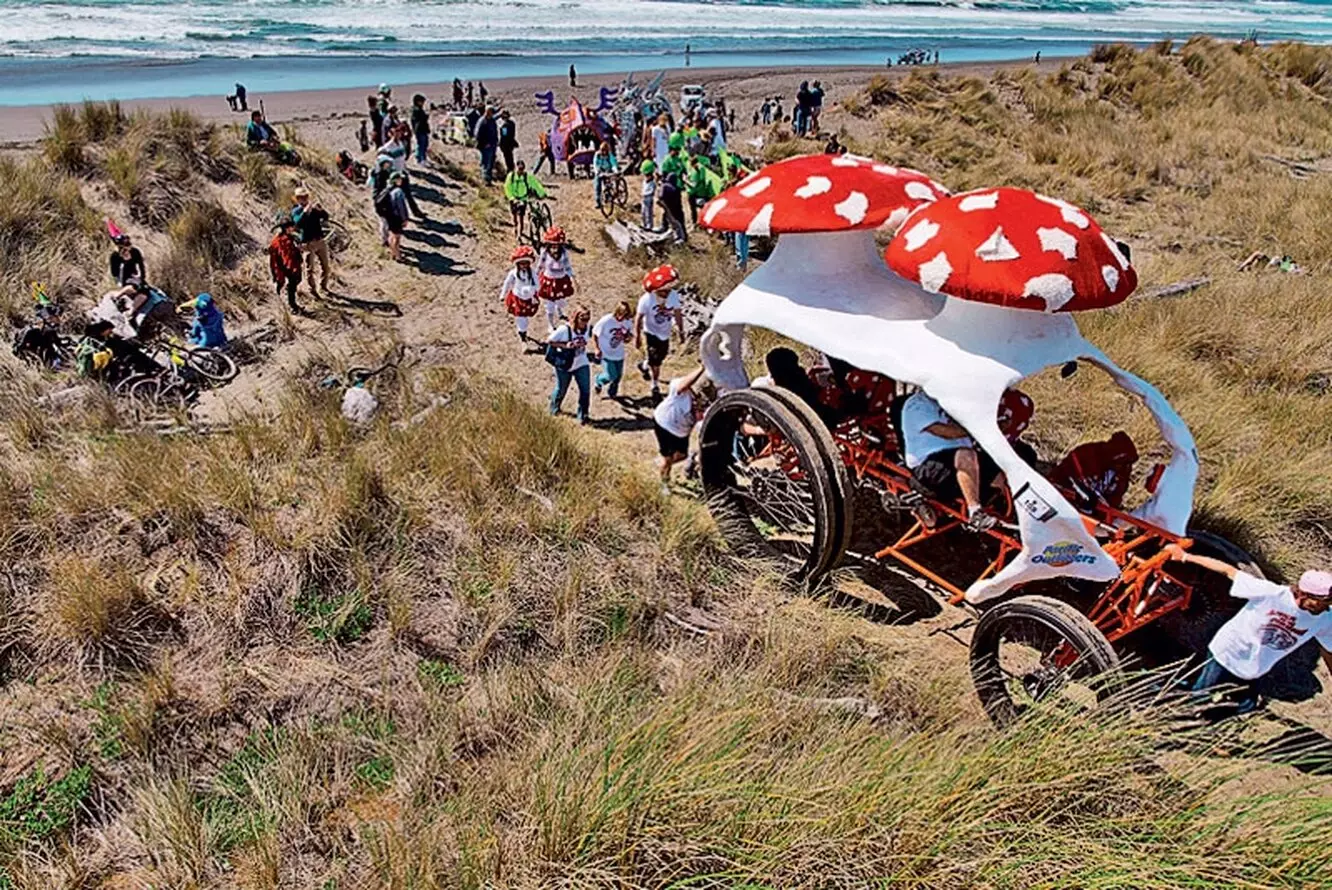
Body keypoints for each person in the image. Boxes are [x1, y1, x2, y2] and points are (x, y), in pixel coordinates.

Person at [1165, 545, 1332, 713]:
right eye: (1323, 602)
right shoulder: (1272, 593)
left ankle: (1210, 719)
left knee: (1246, 706)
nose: (1326, 607)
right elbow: (1228, 570)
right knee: (1200, 698)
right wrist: (1186, 556)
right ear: (1304, 594)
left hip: (1256, 666)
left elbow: (1329, 648)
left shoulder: (1325, 618)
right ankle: (1174, 716)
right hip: (1228, 653)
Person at [900, 389, 999, 531]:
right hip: (929, 468)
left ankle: (1007, 512)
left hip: (957, 462)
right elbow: (946, 432)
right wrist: (978, 429)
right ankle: (975, 513)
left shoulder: (952, 403)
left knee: (999, 467)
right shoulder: (917, 405)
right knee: (966, 455)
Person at [653, 365, 713, 495]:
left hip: (681, 431)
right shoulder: (680, 390)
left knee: (682, 455)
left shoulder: (704, 404)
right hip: (665, 425)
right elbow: (682, 385)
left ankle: (663, 463)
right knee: (668, 458)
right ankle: (664, 483)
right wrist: (701, 368)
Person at [1049, 431, 1139, 510]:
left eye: (1129, 464)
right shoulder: (1088, 454)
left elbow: (1113, 502)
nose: (1127, 467)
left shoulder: (1121, 476)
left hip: (1090, 513)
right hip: (1061, 498)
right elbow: (1066, 474)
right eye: (1124, 463)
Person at [635, 264, 684, 397]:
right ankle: (655, 385)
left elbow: (678, 313)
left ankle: (644, 365)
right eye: (664, 291)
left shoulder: (673, 296)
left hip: (665, 332)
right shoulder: (646, 300)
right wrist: (637, 336)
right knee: (656, 362)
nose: (667, 293)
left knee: (661, 357)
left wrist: (681, 331)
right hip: (651, 332)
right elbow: (639, 317)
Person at [547, 305, 593, 423]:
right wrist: (566, 345)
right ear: (576, 318)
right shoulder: (564, 330)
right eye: (583, 319)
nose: (585, 322)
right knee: (561, 388)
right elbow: (550, 341)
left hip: (581, 362)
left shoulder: (587, 329)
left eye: (587, 319)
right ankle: (554, 408)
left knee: (585, 390)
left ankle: (582, 415)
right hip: (564, 364)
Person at [74, 319, 157, 382]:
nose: (111, 332)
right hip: (109, 366)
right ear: (103, 330)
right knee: (136, 355)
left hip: (98, 368)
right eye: (109, 330)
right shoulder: (104, 343)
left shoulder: (88, 340)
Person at [291, 186, 331, 298]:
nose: (304, 199)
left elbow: (326, 217)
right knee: (309, 269)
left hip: (320, 240)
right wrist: (305, 212)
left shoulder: (314, 209)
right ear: (297, 199)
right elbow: (298, 225)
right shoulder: (296, 211)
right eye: (301, 197)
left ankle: (323, 287)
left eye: (306, 196)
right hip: (308, 243)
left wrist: (321, 210)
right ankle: (312, 290)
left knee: (326, 267)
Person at [536, 227, 577, 334]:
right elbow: (540, 265)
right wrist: (535, 278)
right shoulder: (544, 252)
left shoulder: (564, 254)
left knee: (561, 301)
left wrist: (573, 278)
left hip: (561, 281)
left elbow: (568, 266)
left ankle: (560, 312)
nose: (554, 248)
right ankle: (550, 323)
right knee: (549, 305)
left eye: (557, 245)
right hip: (548, 280)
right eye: (552, 245)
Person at [592, 300, 634, 399]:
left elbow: (628, 335)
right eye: (622, 315)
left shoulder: (627, 322)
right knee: (611, 375)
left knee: (618, 376)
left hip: (618, 353)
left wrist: (628, 338)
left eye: (626, 316)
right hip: (606, 353)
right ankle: (598, 380)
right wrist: (596, 349)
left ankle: (612, 392)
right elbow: (594, 334)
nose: (623, 318)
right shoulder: (606, 321)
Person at [499, 245, 540, 342]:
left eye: (526, 263)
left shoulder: (532, 273)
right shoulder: (513, 273)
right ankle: (522, 334)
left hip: (529, 298)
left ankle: (523, 331)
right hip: (518, 297)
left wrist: (533, 290)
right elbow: (507, 283)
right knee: (520, 318)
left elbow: (537, 283)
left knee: (525, 317)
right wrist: (503, 294)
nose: (524, 266)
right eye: (521, 264)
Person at [268, 216, 306, 314]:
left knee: (294, 282)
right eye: (290, 227)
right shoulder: (280, 241)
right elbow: (285, 257)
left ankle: (290, 304)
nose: (292, 228)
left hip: (289, 266)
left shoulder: (289, 237)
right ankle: (290, 306)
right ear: (285, 228)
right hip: (285, 267)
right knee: (288, 284)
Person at [503, 159, 547, 236]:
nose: (520, 171)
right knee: (514, 215)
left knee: (521, 216)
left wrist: (542, 193)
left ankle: (520, 232)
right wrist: (512, 198)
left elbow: (536, 185)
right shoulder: (511, 176)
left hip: (523, 198)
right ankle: (515, 227)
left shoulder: (527, 176)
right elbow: (507, 187)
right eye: (519, 169)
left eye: (522, 169)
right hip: (513, 199)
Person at [474, 106, 499, 185]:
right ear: (488, 112)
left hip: (492, 145)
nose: (493, 114)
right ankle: (485, 180)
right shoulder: (482, 121)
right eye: (492, 112)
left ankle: (489, 179)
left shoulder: (491, 120)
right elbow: (477, 134)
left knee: (491, 162)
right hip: (486, 146)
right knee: (486, 163)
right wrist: (485, 144)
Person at [592, 142, 618, 210]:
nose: (603, 152)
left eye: (605, 151)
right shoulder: (597, 155)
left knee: (608, 184)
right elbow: (595, 164)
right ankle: (598, 202)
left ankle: (608, 197)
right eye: (602, 150)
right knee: (597, 186)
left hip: (607, 170)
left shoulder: (609, 155)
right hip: (599, 171)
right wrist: (597, 171)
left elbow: (613, 163)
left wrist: (615, 170)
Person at [410, 94, 431, 165]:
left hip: (423, 129)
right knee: (421, 145)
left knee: (425, 144)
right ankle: (420, 159)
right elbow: (417, 121)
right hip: (420, 130)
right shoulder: (416, 110)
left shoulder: (419, 109)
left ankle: (423, 158)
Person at [497, 109, 519, 174]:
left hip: (506, 144)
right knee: (510, 157)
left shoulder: (505, 125)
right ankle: (511, 168)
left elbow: (504, 136)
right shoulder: (512, 123)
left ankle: (510, 170)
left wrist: (500, 143)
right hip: (510, 143)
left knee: (508, 157)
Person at [639, 159, 658, 230]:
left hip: (648, 198)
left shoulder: (652, 182)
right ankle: (644, 224)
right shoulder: (645, 181)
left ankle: (649, 225)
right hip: (644, 198)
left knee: (648, 212)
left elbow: (651, 191)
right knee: (643, 212)